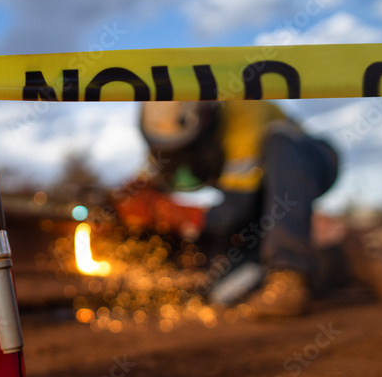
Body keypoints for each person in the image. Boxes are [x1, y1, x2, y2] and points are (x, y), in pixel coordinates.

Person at [129, 99, 339, 316]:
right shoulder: (165, 129)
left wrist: (175, 214)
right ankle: (326, 264)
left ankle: (289, 274)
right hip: (259, 207)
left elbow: (236, 209)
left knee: (280, 139)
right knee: (223, 290)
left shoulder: (244, 115)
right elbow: (153, 178)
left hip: (307, 164)